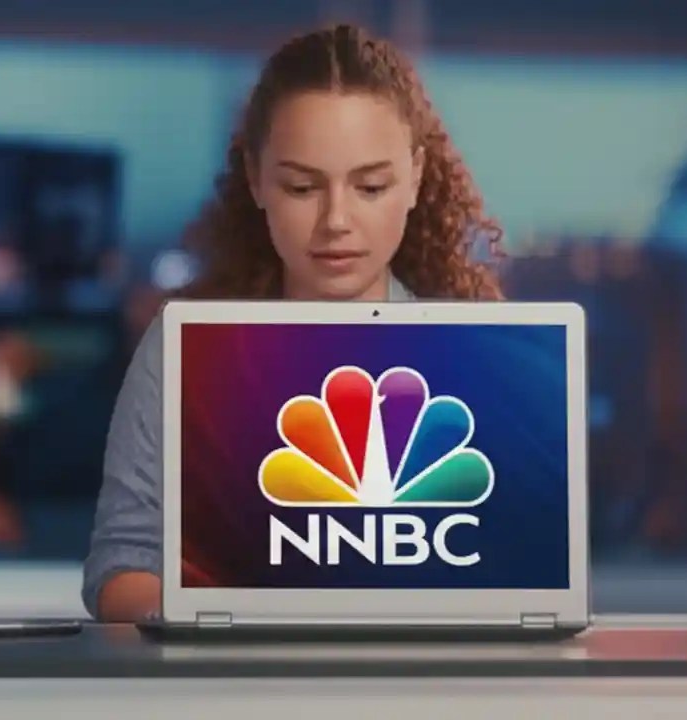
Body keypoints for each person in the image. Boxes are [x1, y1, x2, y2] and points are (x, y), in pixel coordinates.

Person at [82, 23, 505, 622]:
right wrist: (256, 620)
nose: (337, 219)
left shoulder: (483, 359)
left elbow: (525, 568)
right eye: (303, 186)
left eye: (371, 186)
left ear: (414, 178)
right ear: (256, 179)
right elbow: (120, 572)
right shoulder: (185, 355)